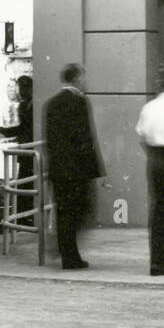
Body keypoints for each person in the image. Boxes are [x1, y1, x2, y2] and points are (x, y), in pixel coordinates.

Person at [44, 63, 106, 270]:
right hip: (77, 170)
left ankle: (66, 253)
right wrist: (94, 170)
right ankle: (70, 256)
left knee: (64, 212)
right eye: (84, 77)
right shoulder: (80, 102)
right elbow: (85, 139)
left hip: (58, 169)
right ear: (77, 78)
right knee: (80, 210)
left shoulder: (51, 104)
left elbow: (51, 140)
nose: (86, 81)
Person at [136, 67, 164, 277]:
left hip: (156, 160)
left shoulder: (149, 107)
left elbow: (142, 136)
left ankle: (157, 263)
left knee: (160, 212)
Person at [0, 75, 35, 227]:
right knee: (25, 184)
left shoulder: (28, 105)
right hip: (28, 151)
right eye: (20, 88)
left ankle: (23, 216)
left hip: (29, 150)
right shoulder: (27, 104)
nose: (21, 91)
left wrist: (6, 131)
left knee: (25, 184)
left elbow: (24, 128)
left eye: (24, 88)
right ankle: (24, 216)